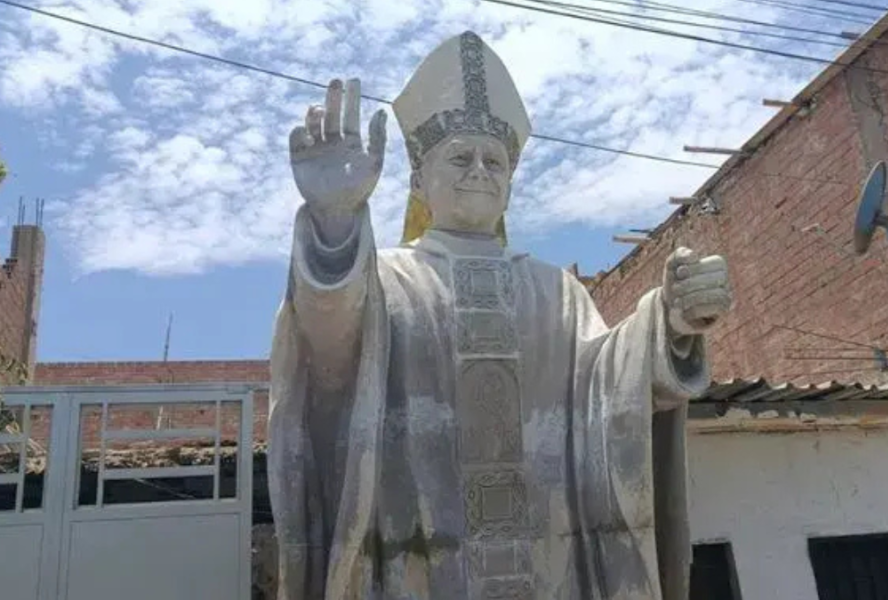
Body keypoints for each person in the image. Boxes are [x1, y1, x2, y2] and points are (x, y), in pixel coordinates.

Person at [268, 31, 732, 600]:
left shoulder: (555, 290)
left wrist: (670, 325)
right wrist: (335, 223)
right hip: (416, 566)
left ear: (511, 187)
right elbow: (327, 355)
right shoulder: (383, 280)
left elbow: (605, 384)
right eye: (461, 157)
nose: (481, 171)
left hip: (549, 566)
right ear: (418, 182)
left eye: (496, 162)